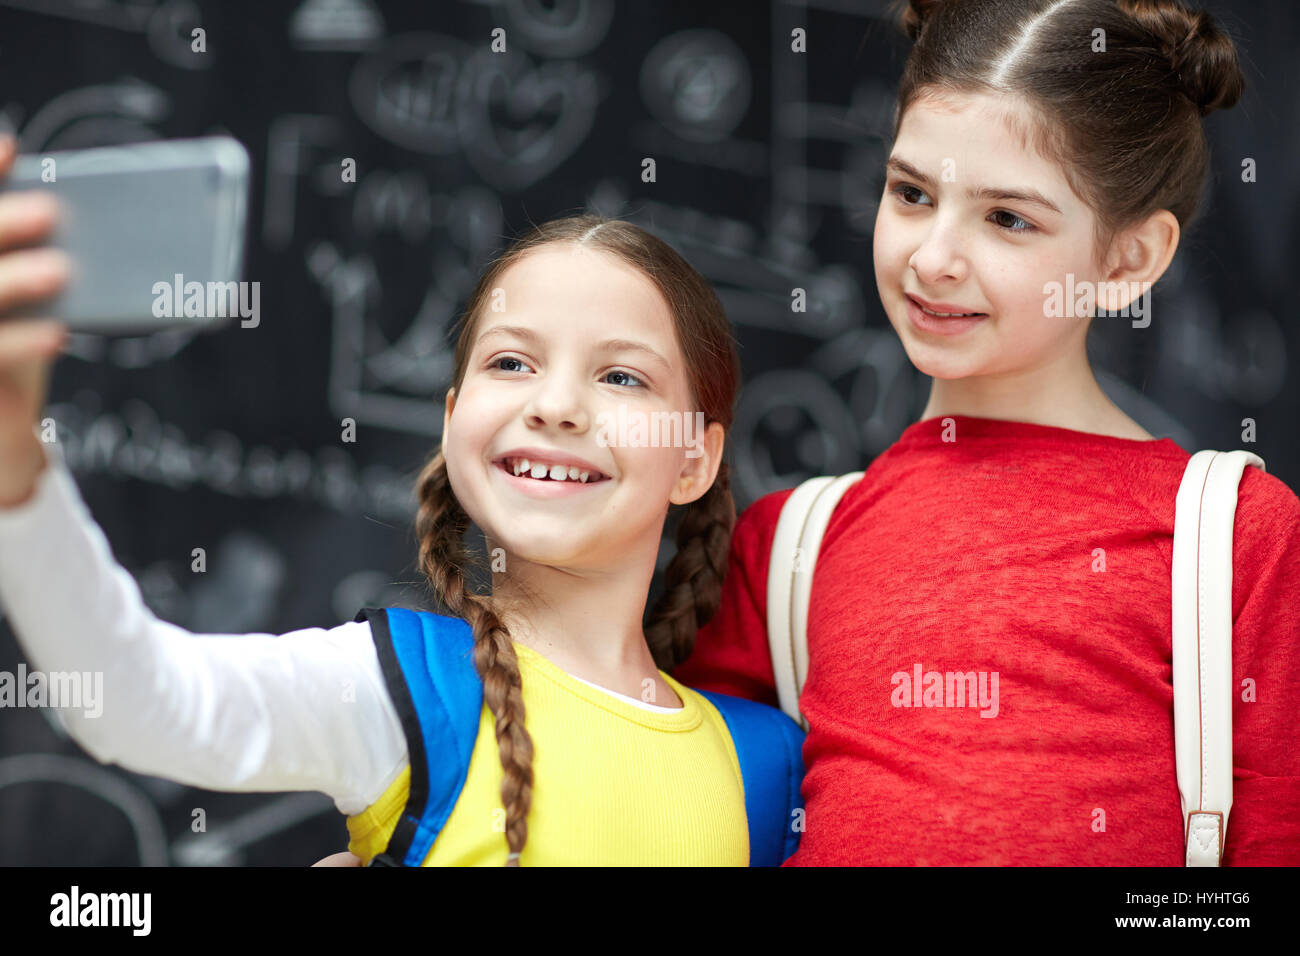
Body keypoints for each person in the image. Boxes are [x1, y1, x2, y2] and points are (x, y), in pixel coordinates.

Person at [0, 152, 804, 865]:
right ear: (454, 420)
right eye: (512, 360)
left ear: (694, 456)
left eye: (622, 377)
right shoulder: (399, 687)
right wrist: (17, 474)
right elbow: (140, 702)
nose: (556, 404)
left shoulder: (768, 770)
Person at [672, 0, 1300, 865]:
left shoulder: (1236, 536)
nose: (933, 257)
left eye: (1008, 218)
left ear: (1128, 263)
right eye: (912, 193)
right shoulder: (787, 551)